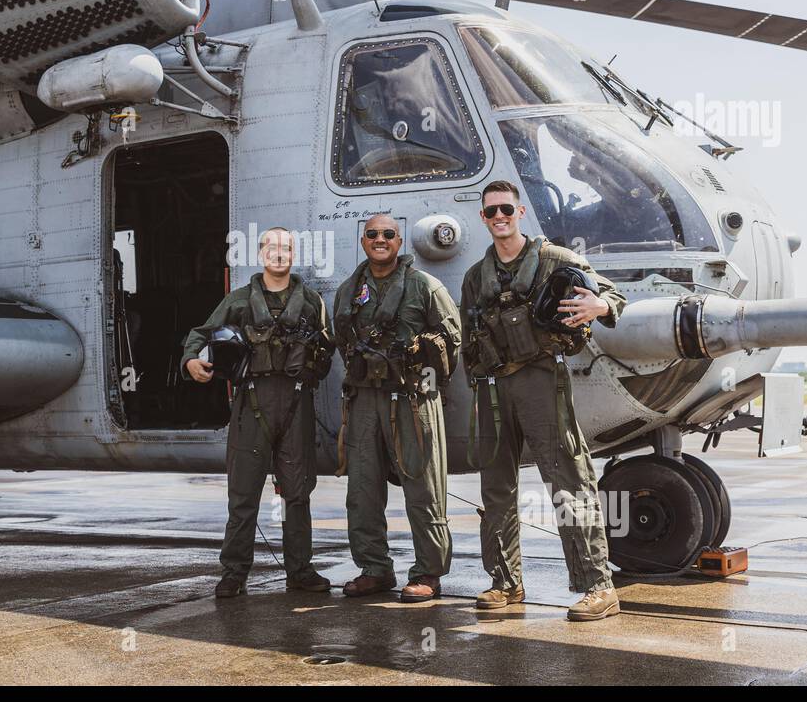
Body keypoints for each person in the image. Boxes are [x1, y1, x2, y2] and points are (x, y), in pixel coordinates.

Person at [460, 180, 627, 621]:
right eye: (491, 211)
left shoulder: (556, 260)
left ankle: (598, 586)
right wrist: (476, 385)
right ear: (483, 217)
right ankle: (505, 582)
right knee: (496, 486)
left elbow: (613, 296)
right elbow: (468, 337)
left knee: (569, 479)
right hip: (492, 387)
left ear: (519, 213)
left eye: (506, 210)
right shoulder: (476, 277)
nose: (499, 217)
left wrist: (600, 307)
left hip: (540, 380)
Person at [182, 227, 334, 598]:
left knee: (297, 492)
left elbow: (327, 347)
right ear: (261, 253)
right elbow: (201, 334)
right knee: (243, 493)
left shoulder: (311, 303)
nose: (279, 254)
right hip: (252, 402)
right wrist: (191, 360)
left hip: (296, 402)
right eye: (272, 247)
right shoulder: (238, 301)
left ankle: (300, 570)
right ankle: (234, 572)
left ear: (293, 255)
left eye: (286, 248)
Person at [332, 214, 460, 603]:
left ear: (399, 241)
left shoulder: (424, 286)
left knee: (423, 488)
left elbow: (452, 341)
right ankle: (374, 569)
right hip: (364, 400)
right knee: (362, 489)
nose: (380, 239)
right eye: (372, 234)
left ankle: (428, 572)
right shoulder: (349, 290)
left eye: (388, 234)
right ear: (363, 241)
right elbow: (341, 337)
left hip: (412, 399)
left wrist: (423, 371)